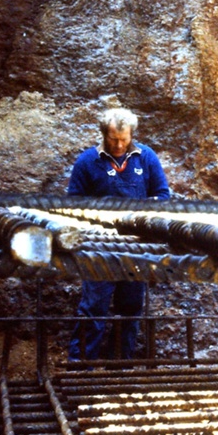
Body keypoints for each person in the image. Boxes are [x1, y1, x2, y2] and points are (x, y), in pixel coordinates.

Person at [67, 107, 170, 364]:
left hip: (136, 248)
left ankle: (121, 366)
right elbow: (72, 202)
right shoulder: (87, 162)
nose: (120, 144)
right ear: (104, 134)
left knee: (131, 309)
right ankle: (81, 368)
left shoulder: (146, 158)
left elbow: (163, 195)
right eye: (114, 139)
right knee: (93, 309)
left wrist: (147, 211)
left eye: (124, 138)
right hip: (99, 246)